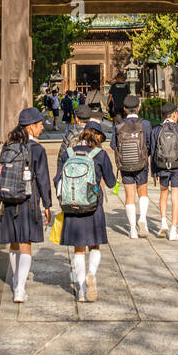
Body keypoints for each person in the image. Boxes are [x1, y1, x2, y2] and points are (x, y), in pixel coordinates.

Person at [0, 106, 51, 303]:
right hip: (27, 201)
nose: (42, 128)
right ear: (31, 127)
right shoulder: (37, 150)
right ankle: (19, 288)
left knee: (14, 244)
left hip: (8, 201)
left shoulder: (9, 147)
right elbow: (42, 179)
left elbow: (0, 176)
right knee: (26, 244)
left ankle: (16, 280)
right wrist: (47, 204)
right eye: (40, 125)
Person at [54, 123, 116, 303]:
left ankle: (81, 290)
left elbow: (58, 178)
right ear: (97, 137)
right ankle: (92, 273)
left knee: (78, 249)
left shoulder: (69, 153)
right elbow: (111, 182)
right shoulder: (100, 155)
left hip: (73, 206)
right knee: (94, 245)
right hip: (93, 205)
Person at [150, 103, 178, 241]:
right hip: (177, 166)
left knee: (163, 193)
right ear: (174, 114)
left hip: (162, 166)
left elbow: (153, 151)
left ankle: (163, 222)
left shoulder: (157, 130)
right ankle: (173, 230)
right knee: (175, 196)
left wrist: (154, 172)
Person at [113, 93, 153, 238]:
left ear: (124, 109)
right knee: (142, 192)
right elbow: (150, 144)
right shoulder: (146, 124)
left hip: (125, 165)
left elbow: (113, 145)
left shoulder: (118, 125)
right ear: (139, 107)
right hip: (141, 163)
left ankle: (132, 229)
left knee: (129, 195)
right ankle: (142, 218)